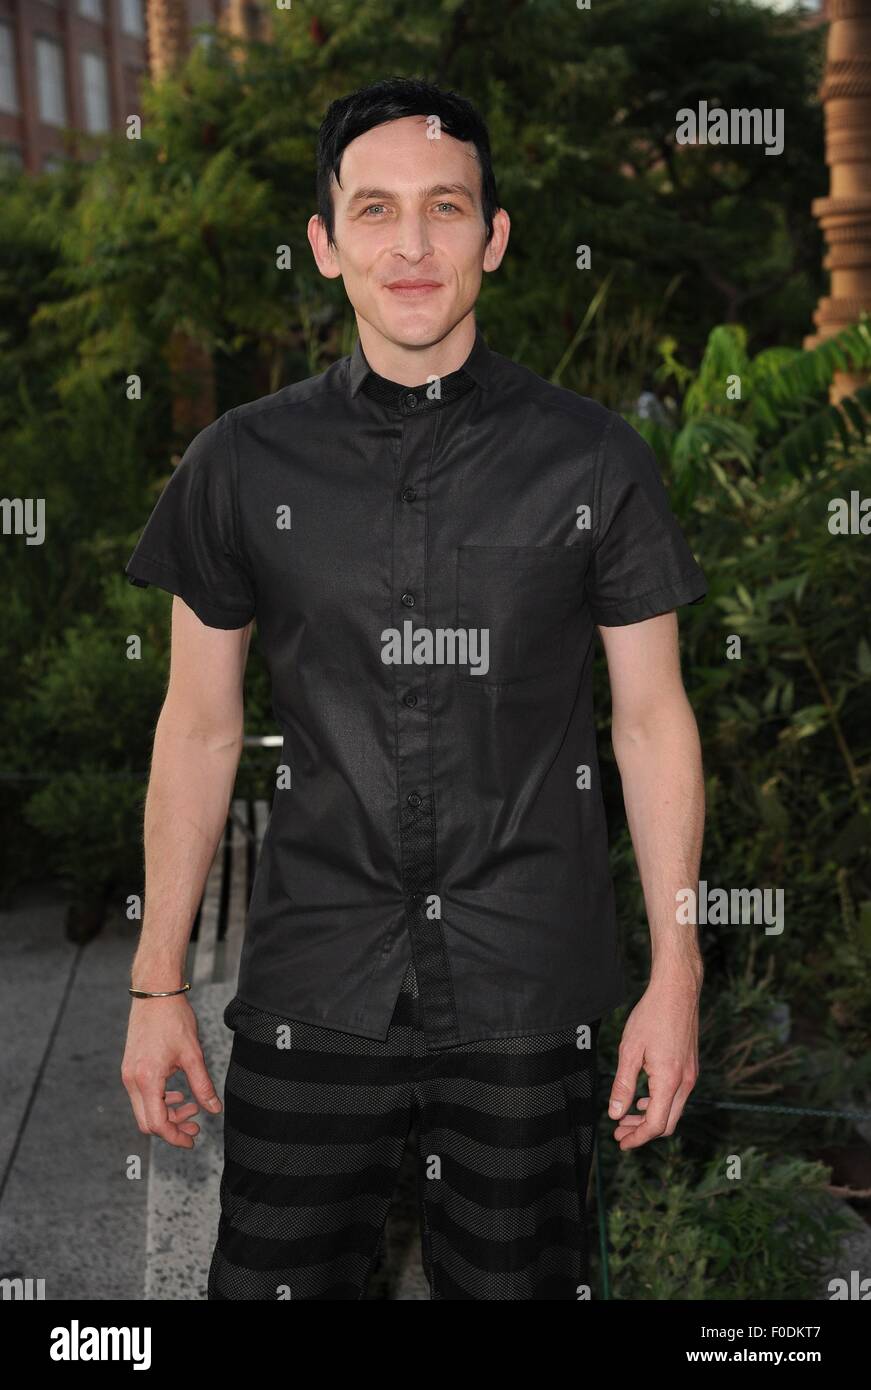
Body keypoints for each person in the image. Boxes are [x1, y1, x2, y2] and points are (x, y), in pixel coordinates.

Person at [121, 75, 707, 1301]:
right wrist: (157, 982)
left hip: (525, 991)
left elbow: (650, 721)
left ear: (491, 239)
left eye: (444, 209)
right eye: (375, 210)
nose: (412, 244)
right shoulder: (238, 462)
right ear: (327, 244)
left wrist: (676, 970)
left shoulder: (593, 458)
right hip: (315, 980)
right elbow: (197, 724)